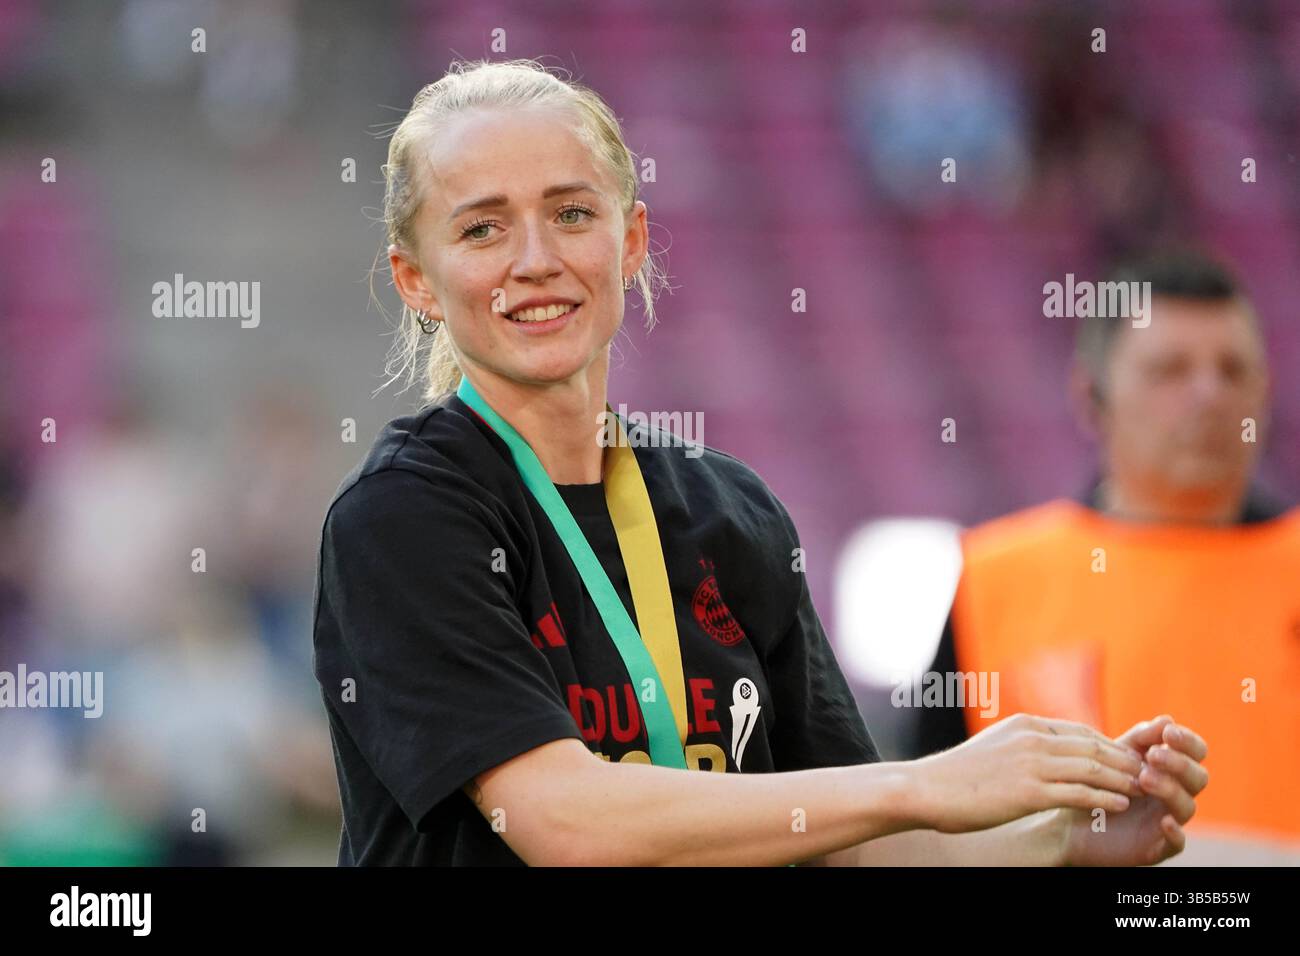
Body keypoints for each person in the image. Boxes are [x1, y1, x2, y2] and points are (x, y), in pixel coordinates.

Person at [311, 58, 1206, 866]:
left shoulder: (729, 509)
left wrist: (1059, 842)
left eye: (572, 212)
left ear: (629, 242)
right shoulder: (402, 518)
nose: (537, 259)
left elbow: (844, 850)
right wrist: (925, 782)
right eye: (482, 230)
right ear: (416, 280)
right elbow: (559, 824)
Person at [914, 250, 1297, 855]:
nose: (1208, 395)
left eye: (1232, 369)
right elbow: (924, 832)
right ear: (1092, 396)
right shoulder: (998, 578)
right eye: (1170, 370)